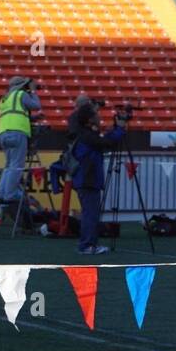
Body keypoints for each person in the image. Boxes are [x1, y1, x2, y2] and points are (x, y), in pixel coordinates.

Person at [71, 106, 127, 255]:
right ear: (89, 119)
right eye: (95, 115)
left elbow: (102, 142)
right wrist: (119, 130)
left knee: (90, 213)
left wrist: (116, 129)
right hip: (88, 180)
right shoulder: (87, 136)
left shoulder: (85, 134)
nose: (99, 116)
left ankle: (88, 244)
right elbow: (105, 143)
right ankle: (87, 245)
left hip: (86, 180)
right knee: (90, 214)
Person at [0, 76, 42, 209]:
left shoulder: (4, 99)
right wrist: (33, 91)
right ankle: (10, 195)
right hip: (18, 132)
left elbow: (14, 113)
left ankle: (1, 194)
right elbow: (37, 105)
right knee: (17, 165)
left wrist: (31, 118)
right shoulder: (21, 94)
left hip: (4, 133)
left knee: (9, 165)